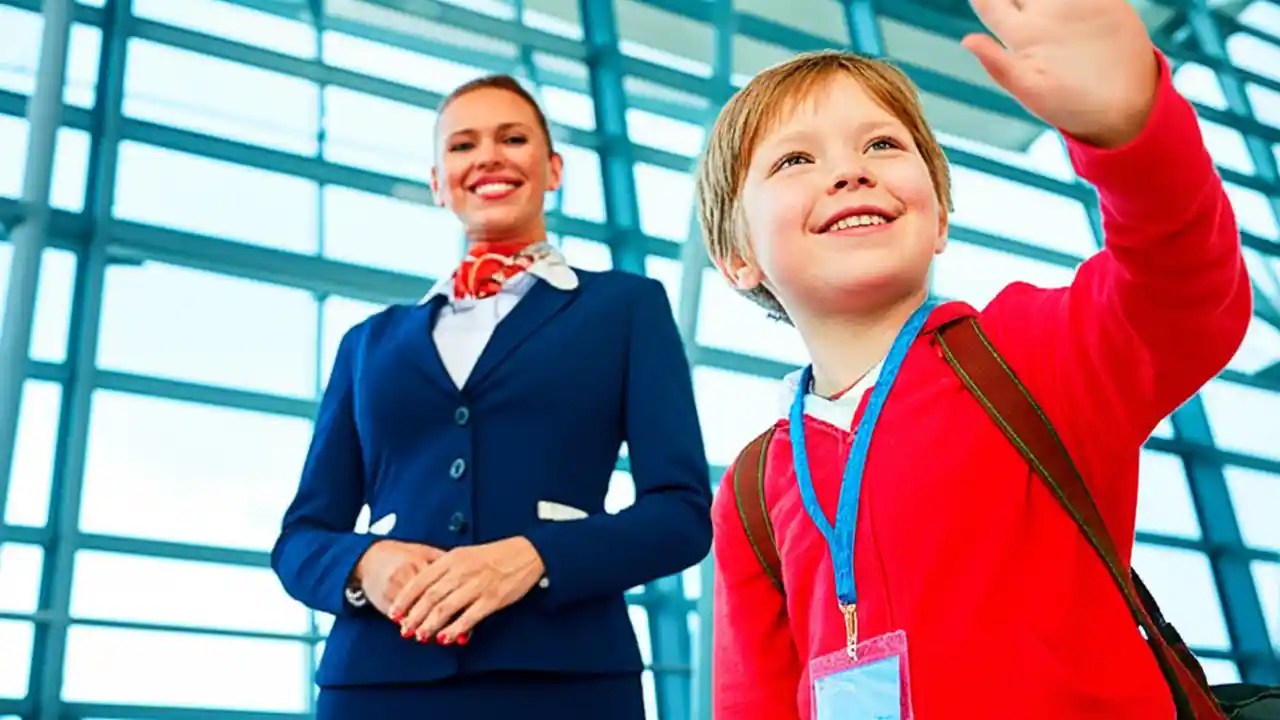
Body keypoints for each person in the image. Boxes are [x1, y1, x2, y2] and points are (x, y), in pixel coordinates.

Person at [696, 0, 1251, 718]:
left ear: (941, 219)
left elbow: (1184, 291)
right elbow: (754, 703)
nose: (850, 173)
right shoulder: (751, 494)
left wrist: (1132, 137)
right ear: (738, 256)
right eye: (796, 159)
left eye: (883, 146)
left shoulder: (1031, 356)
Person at [271, 73, 713, 720]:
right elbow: (300, 539)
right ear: (437, 182)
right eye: (462, 145)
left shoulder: (625, 310)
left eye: (513, 138)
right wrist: (367, 563)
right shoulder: (366, 344)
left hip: (565, 676)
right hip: (377, 681)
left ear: (553, 169)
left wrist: (533, 558)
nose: (488, 158)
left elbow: (680, 516)